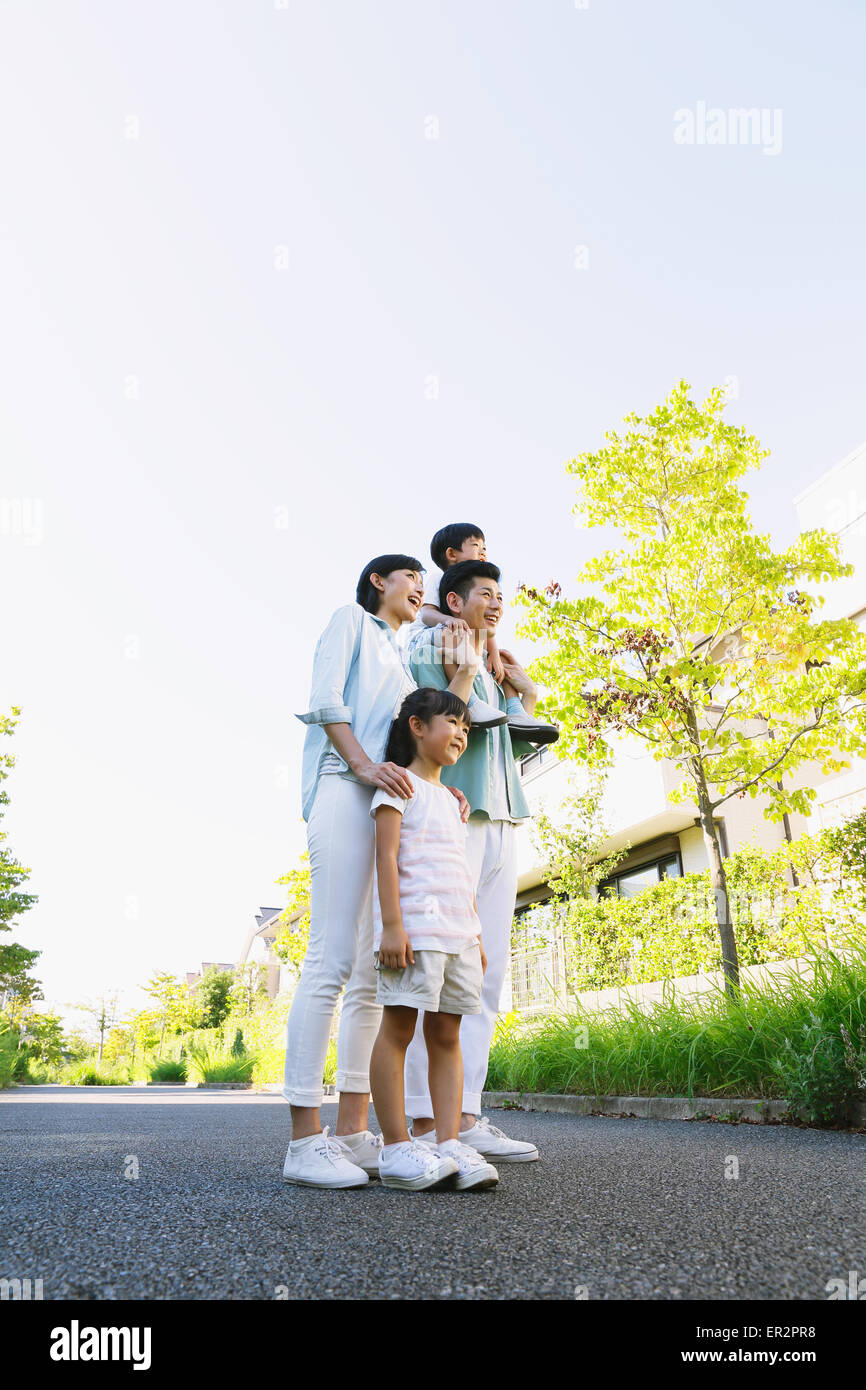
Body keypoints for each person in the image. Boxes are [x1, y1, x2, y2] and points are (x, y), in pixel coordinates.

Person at [281, 554, 478, 1189]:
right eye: (411, 577)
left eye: (425, 578)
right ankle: (303, 1139)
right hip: (343, 785)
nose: (421, 586)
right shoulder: (349, 623)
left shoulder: (398, 658)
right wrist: (363, 765)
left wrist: (439, 791)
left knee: (374, 972)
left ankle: (353, 1131)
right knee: (332, 958)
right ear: (378, 583)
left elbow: (427, 730)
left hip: (380, 794)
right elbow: (324, 700)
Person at [405, 559, 552, 1162]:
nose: (495, 603)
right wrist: (468, 670)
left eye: (500, 595)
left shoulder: (493, 668)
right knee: (435, 966)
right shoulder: (434, 644)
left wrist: (525, 691)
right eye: (483, 594)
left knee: (487, 976)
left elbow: (523, 736)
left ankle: (466, 1114)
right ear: (453, 599)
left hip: (502, 822)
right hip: (453, 822)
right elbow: (432, 721)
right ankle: (420, 1120)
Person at [369, 687, 500, 1192]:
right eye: (452, 723)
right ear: (417, 727)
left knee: (448, 1037)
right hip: (415, 935)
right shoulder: (398, 789)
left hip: (460, 936)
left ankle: (448, 1144)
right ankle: (398, 1146)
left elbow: (459, 873)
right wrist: (392, 926)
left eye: (467, 728)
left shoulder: (454, 801)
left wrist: (476, 933)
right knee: (398, 1031)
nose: (461, 734)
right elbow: (387, 860)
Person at [406, 522, 557, 744]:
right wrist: (451, 622)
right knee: (454, 637)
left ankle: (516, 711)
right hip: (426, 635)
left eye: (485, 547)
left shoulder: (476, 589)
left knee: (502, 657)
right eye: (477, 546)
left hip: (455, 635)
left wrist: (494, 654)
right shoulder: (438, 578)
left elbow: (489, 635)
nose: (483, 552)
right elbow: (427, 614)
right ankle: (470, 702)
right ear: (451, 554)